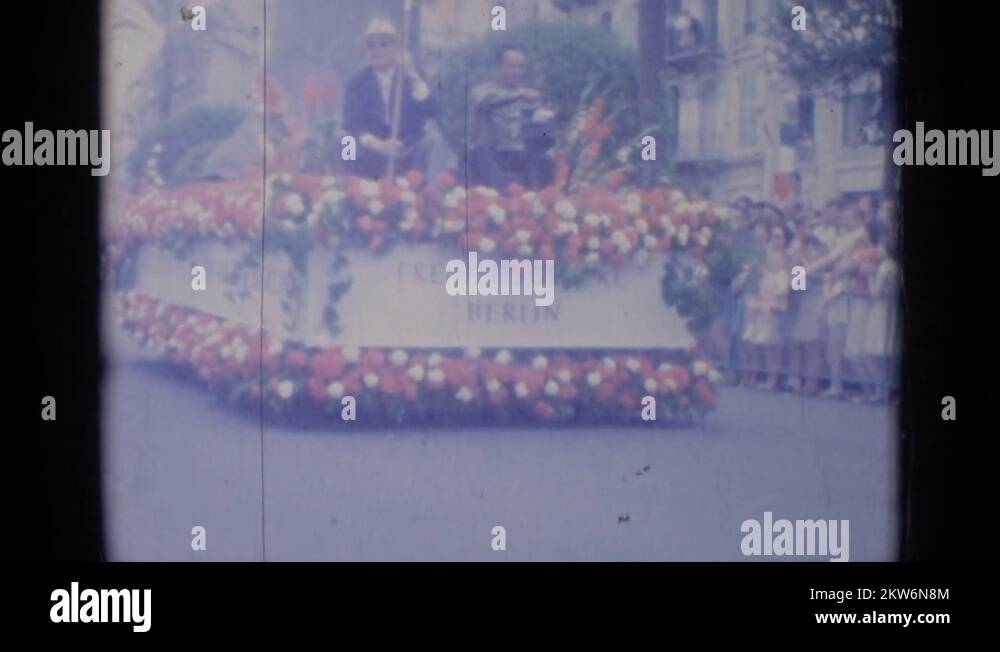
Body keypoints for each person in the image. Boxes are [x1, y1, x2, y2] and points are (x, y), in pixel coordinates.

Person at [341, 18, 440, 180]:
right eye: (371, 45)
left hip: (407, 149)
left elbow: (433, 109)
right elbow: (351, 122)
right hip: (370, 151)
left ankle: (424, 196)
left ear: (397, 49)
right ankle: (349, 189)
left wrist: (412, 75)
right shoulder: (355, 82)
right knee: (343, 140)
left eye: (384, 44)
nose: (376, 50)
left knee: (433, 140)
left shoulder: (410, 78)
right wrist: (377, 144)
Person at [469, 46, 556, 190]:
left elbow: (540, 133)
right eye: (512, 67)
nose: (517, 72)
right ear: (498, 67)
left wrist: (544, 119)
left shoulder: (528, 95)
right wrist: (518, 96)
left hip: (518, 153)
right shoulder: (480, 92)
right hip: (491, 153)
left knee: (546, 159)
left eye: (520, 67)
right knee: (482, 151)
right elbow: (486, 101)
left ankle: (538, 201)